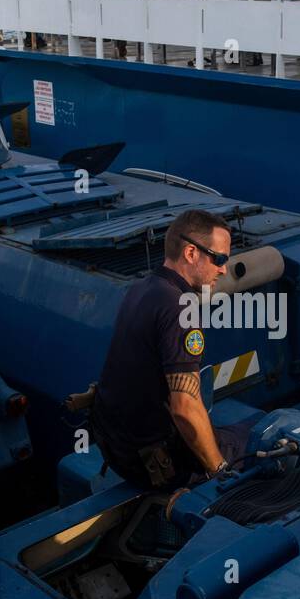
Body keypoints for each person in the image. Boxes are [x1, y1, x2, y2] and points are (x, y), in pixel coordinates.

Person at [89, 210, 251, 491]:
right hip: (157, 464)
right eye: (220, 258)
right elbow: (185, 409)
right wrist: (219, 471)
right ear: (191, 252)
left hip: (118, 449)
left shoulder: (142, 288)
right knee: (265, 434)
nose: (224, 269)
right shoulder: (180, 308)